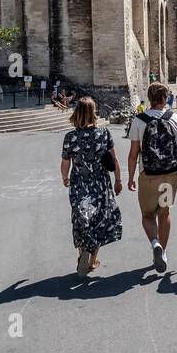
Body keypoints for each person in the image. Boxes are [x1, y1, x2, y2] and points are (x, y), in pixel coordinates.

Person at [127, 82, 177, 273]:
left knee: (148, 215)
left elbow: (133, 154)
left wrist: (130, 178)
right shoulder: (175, 119)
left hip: (148, 175)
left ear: (150, 98)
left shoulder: (139, 120)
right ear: (165, 98)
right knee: (164, 213)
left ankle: (155, 243)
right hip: (170, 175)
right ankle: (163, 251)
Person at [60, 96, 123, 276]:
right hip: (100, 184)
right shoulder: (103, 133)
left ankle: (83, 252)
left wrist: (65, 178)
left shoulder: (70, 137)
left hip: (79, 184)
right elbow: (114, 160)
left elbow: (65, 162)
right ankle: (92, 259)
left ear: (77, 113)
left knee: (81, 219)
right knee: (98, 221)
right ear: (93, 112)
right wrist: (118, 180)